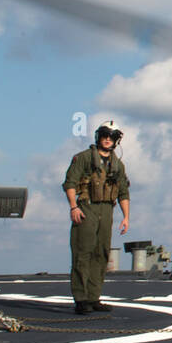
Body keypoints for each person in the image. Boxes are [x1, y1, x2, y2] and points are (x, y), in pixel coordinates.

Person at [63, 121, 131, 314]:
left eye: (112, 136)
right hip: (87, 208)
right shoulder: (83, 158)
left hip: (107, 211)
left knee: (101, 253)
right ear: (99, 136)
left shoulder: (118, 165)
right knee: (82, 253)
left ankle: (94, 297)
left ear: (116, 140)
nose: (108, 139)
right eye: (105, 135)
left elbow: (123, 193)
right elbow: (69, 183)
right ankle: (80, 298)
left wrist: (125, 217)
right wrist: (73, 207)